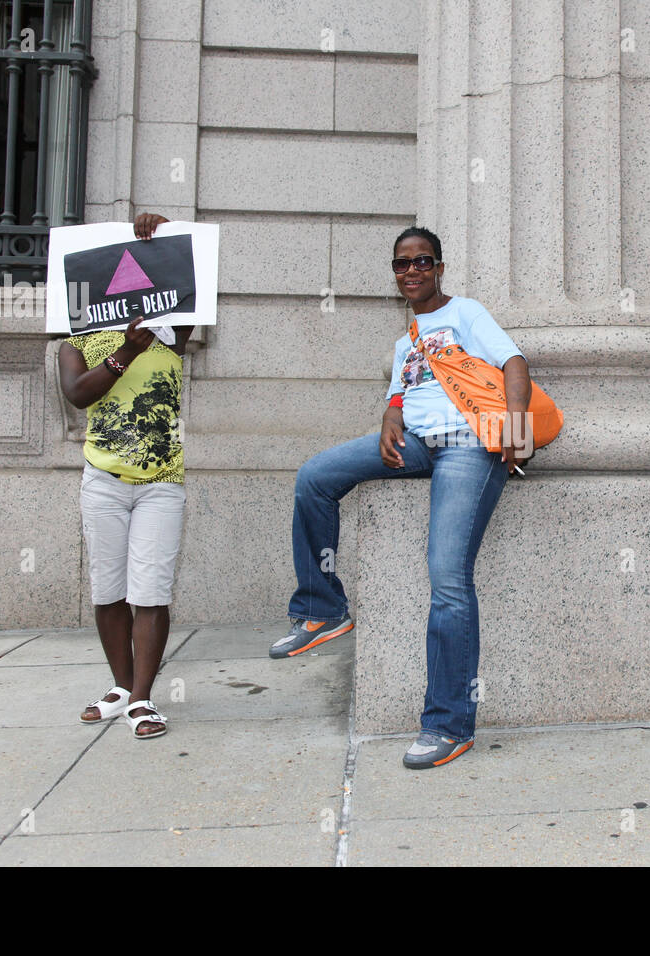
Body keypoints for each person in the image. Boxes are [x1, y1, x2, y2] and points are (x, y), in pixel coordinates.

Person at [272, 226, 533, 769]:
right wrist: (390, 415)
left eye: (422, 262)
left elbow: (514, 364)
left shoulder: (465, 313)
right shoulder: (406, 338)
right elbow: (401, 391)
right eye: (401, 265)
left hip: (466, 446)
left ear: (440, 268)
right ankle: (323, 609)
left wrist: (516, 428)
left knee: (448, 578)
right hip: (415, 445)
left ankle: (448, 724)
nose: (411, 271)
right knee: (314, 477)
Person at [58, 212, 193, 739]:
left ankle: (142, 699)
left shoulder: (169, 331)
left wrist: (160, 234)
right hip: (103, 481)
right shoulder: (78, 340)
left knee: (152, 590)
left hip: (162, 481)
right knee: (108, 589)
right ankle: (120, 686)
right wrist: (123, 353)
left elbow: (184, 278)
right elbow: (77, 394)